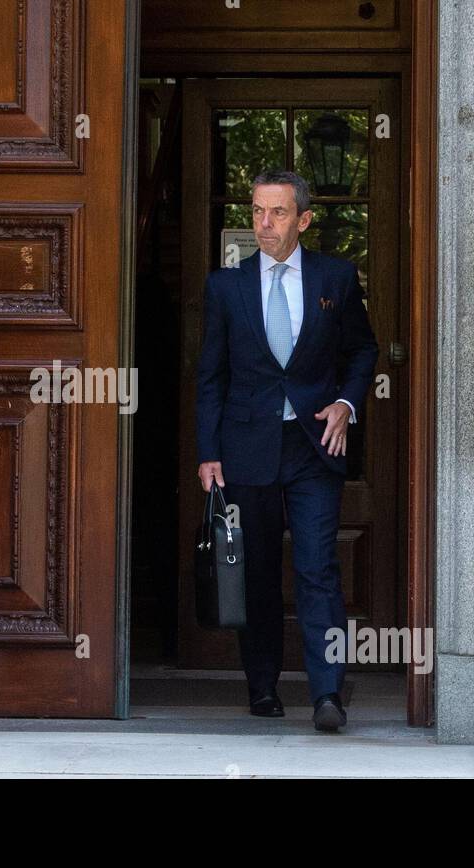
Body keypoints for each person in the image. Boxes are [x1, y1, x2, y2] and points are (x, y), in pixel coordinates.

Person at [195, 169, 378, 733]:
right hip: (246, 448)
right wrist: (208, 452)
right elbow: (210, 376)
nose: (263, 224)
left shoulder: (337, 278)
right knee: (257, 573)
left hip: (313, 446)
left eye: (276, 213)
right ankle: (263, 687)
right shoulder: (226, 286)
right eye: (256, 212)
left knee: (318, 568)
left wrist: (347, 403)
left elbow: (363, 351)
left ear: (302, 219)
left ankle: (328, 694)